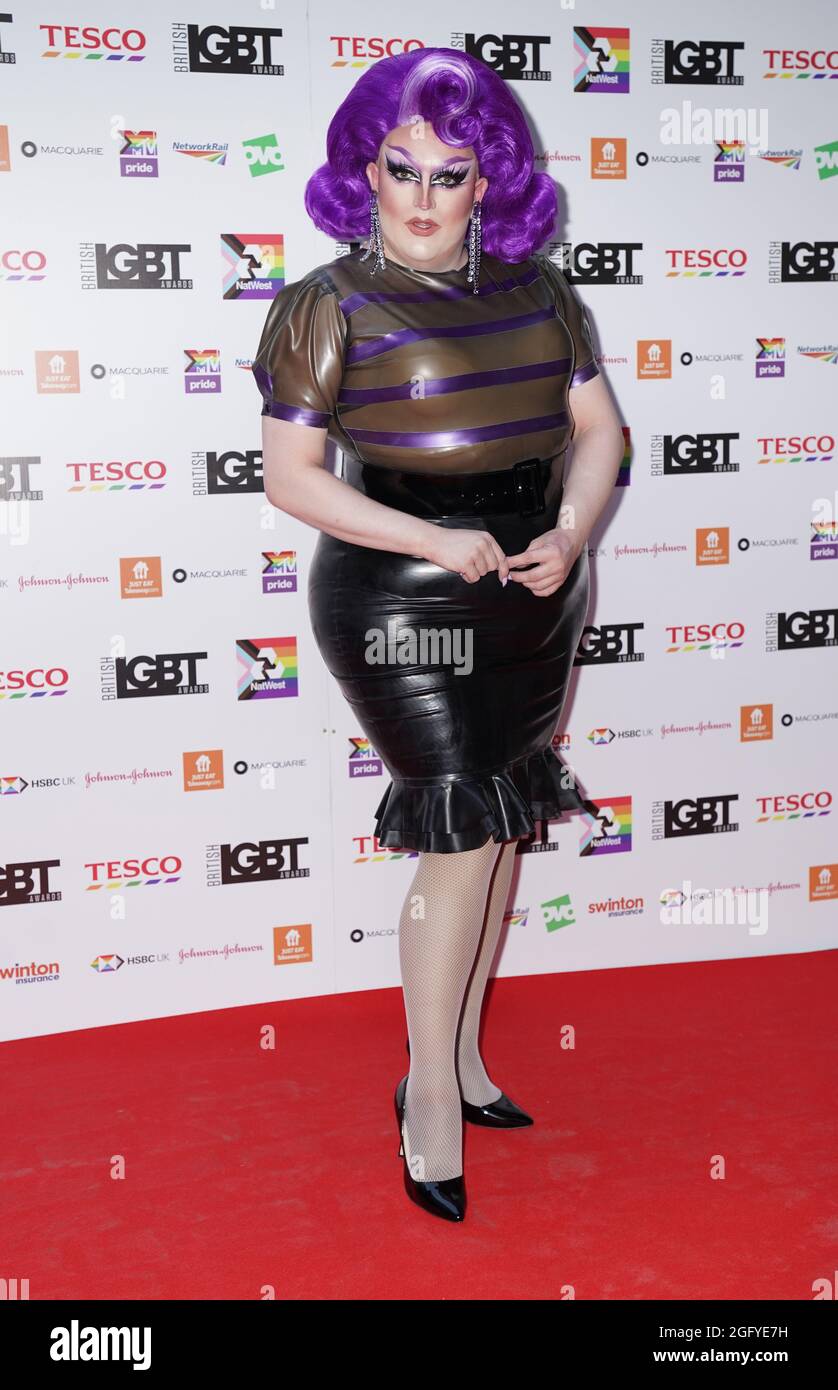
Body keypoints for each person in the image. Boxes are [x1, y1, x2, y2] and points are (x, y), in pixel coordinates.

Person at [252, 47, 624, 1223]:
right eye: (399, 167)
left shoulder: (542, 292)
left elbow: (601, 435)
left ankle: (460, 1059)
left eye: (449, 173)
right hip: (398, 592)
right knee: (463, 827)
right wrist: (423, 544)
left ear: (488, 180)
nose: (419, 196)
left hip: (532, 582)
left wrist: (570, 529)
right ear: (364, 170)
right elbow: (292, 479)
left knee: (504, 821)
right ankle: (424, 1098)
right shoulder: (324, 301)